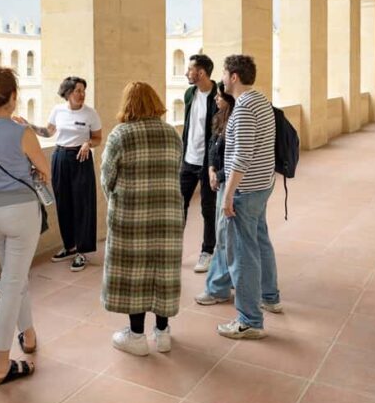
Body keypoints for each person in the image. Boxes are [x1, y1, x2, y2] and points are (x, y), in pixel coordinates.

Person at [0, 67, 48, 386]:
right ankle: (0, 363)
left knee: (15, 277)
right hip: (21, 212)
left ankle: (28, 336)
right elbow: (45, 171)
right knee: (10, 286)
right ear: (14, 97)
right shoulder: (22, 132)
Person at [195, 55, 280, 340]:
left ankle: (250, 320)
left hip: (245, 191)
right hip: (262, 185)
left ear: (233, 76)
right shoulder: (261, 100)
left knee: (242, 254)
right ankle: (270, 296)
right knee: (259, 242)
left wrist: (229, 196)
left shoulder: (243, 108)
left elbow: (241, 157)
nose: (221, 77)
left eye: (223, 73)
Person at [101, 82, 184, 356]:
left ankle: (136, 336)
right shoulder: (172, 134)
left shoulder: (120, 135)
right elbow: (176, 171)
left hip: (131, 215)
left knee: (133, 272)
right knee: (164, 269)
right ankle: (163, 333)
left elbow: (107, 179)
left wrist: (115, 199)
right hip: (168, 214)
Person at [17, 77, 102, 272]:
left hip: (81, 158)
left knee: (83, 204)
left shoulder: (90, 114)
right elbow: (48, 132)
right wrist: (29, 125)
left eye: (83, 91)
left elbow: (98, 138)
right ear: (67, 93)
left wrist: (88, 143)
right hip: (60, 157)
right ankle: (70, 246)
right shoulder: (58, 111)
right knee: (63, 203)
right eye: (77, 91)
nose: (81, 94)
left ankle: (83, 250)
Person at [180, 54, 218, 273]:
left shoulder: (218, 95)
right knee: (178, 206)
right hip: (188, 160)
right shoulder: (189, 93)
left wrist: (214, 164)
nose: (187, 72)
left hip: (208, 163)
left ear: (201, 73)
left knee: (208, 208)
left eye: (190, 69)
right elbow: (188, 127)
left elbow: (219, 131)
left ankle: (208, 251)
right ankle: (175, 248)